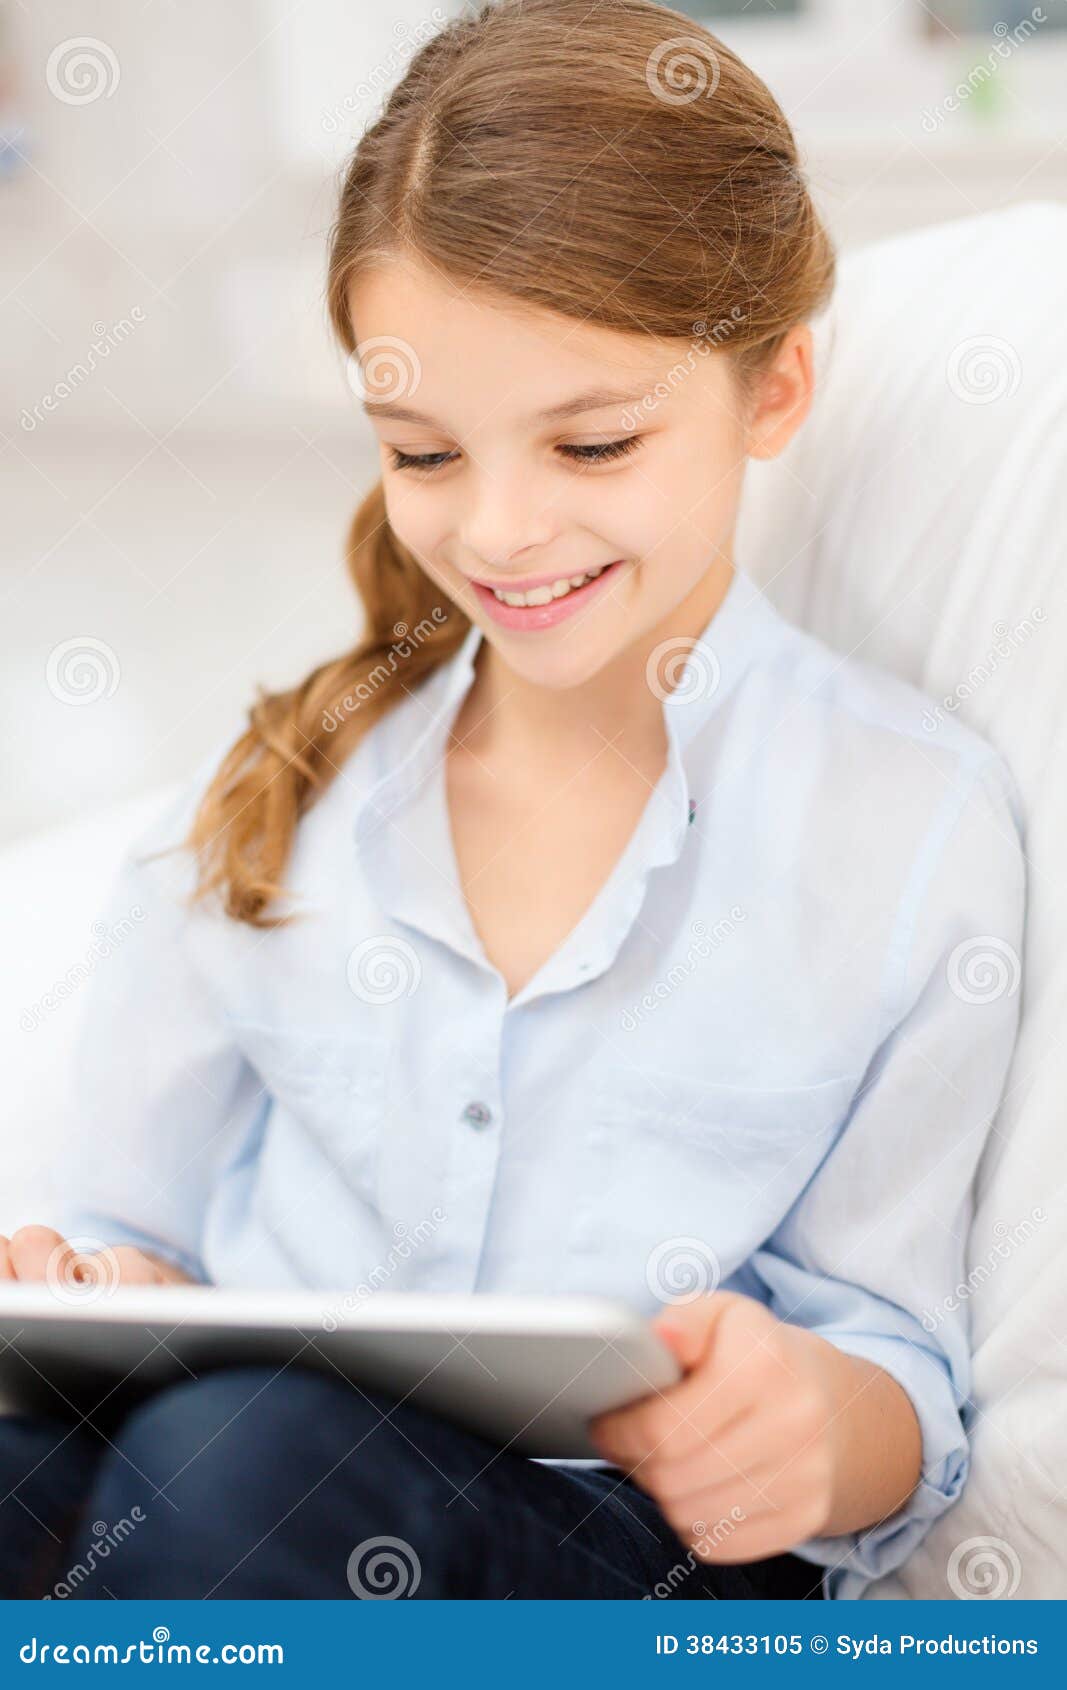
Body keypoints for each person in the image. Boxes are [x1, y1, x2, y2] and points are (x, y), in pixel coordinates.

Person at [0, 0, 1024, 1601]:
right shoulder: (292, 792)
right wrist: (87, 1280)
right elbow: (134, 1239)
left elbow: (893, 1354)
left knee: (250, 1459)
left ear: (774, 391)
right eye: (422, 453)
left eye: (593, 441)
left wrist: (827, 1421)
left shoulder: (904, 825)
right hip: (225, 1477)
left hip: (623, 1555)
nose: (500, 531)